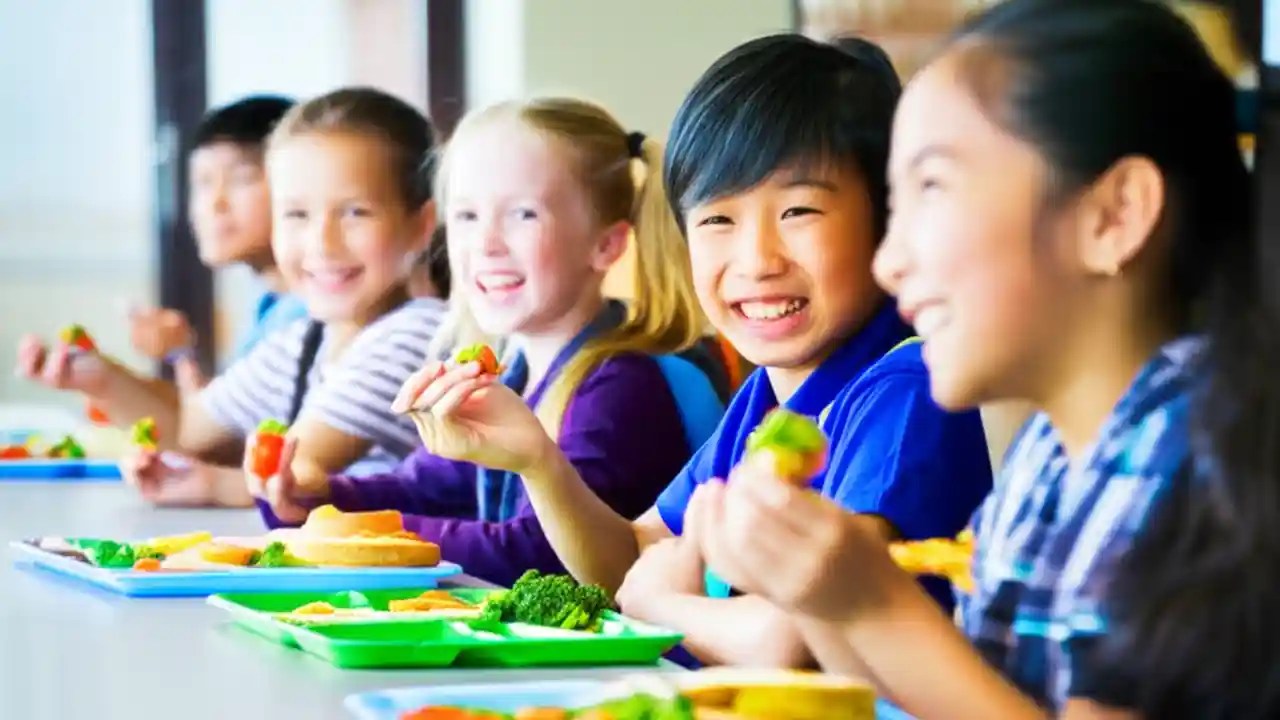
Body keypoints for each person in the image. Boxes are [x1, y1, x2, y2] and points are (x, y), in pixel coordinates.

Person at [692, 1, 1279, 717]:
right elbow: (937, 702)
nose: (890, 259)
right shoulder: (1048, 456)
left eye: (933, 189)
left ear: (1113, 215)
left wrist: (874, 601)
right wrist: (824, 598)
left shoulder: (1192, 454)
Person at [397, 35, 992, 668]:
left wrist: (660, 605)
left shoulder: (904, 388)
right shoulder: (766, 396)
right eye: (717, 221)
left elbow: (799, 642)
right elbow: (628, 558)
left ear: (886, 220)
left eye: (799, 210)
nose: (758, 261)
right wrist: (538, 463)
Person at [249, 97, 724, 586]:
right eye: (467, 216)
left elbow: (539, 554)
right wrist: (316, 496)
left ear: (607, 244)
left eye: (523, 215)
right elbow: (428, 488)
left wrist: (353, 536)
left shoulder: (621, 385)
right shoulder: (511, 369)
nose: (487, 244)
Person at [20, 87, 448, 505]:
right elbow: (191, 431)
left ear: (420, 223)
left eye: (355, 212)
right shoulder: (306, 340)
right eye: (297, 214)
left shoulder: (414, 332)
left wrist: (208, 485)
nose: (321, 242)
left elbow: (293, 472)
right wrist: (99, 378)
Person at [126, 95, 309, 379]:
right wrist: (180, 353)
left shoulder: (307, 316)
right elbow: (224, 417)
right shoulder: (269, 304)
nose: (215, 203)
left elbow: (225, 425)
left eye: (240, 179)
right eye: (203, 183)